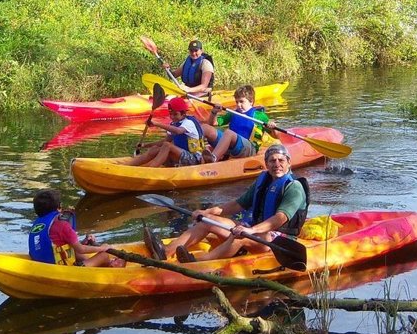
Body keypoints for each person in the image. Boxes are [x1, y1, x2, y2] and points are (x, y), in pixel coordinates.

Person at [159, 143, 309, 263]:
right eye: (272, 160)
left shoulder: (294, 187)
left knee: (241, 235)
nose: (277, 164)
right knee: (207, 221)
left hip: (278, 239)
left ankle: (197, 262)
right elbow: (238, 205)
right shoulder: (264, 181)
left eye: (281, 160)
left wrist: (252, 230)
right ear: (266, 164)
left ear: (289, 163)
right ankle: (166, 252)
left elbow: (280, 218)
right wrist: (206, 212)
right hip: (256, 230)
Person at [28, 189, 124, 267]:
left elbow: (60, 245)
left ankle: (94, 263)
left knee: (76, 251)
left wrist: (84, 242)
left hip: (43, 264)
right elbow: (81, 249)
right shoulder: (62, 225)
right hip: (62, 268)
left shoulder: (39, 223)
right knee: (104, 255)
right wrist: (102, 248)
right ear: (59, 207)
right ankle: (109, 266)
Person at [127, 96, 211, 168]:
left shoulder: (188, 122)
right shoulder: (173, 124)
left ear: (183, 114)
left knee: (167, 146)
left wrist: (156, 124)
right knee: (155, 149)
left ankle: (151, 169)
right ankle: (127, 166)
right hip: (182, 156)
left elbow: (178, 131)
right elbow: (165, 141)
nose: (172, 117)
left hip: (195, 158)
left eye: (175, 114)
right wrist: (145, 145)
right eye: (170, 114)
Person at [207, 84, 269, 162]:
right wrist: (214, 112)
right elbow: (213, 123)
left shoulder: (260, 115)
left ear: (251, 101)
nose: (238, 105)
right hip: (233, 147)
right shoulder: (233, 113)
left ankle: (214, 158)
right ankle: (195, 154)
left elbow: (275, 135)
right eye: (237, 102)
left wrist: (272, 127)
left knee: (228, 133)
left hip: (249, 148)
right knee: (206, 128)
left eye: (241, 101)